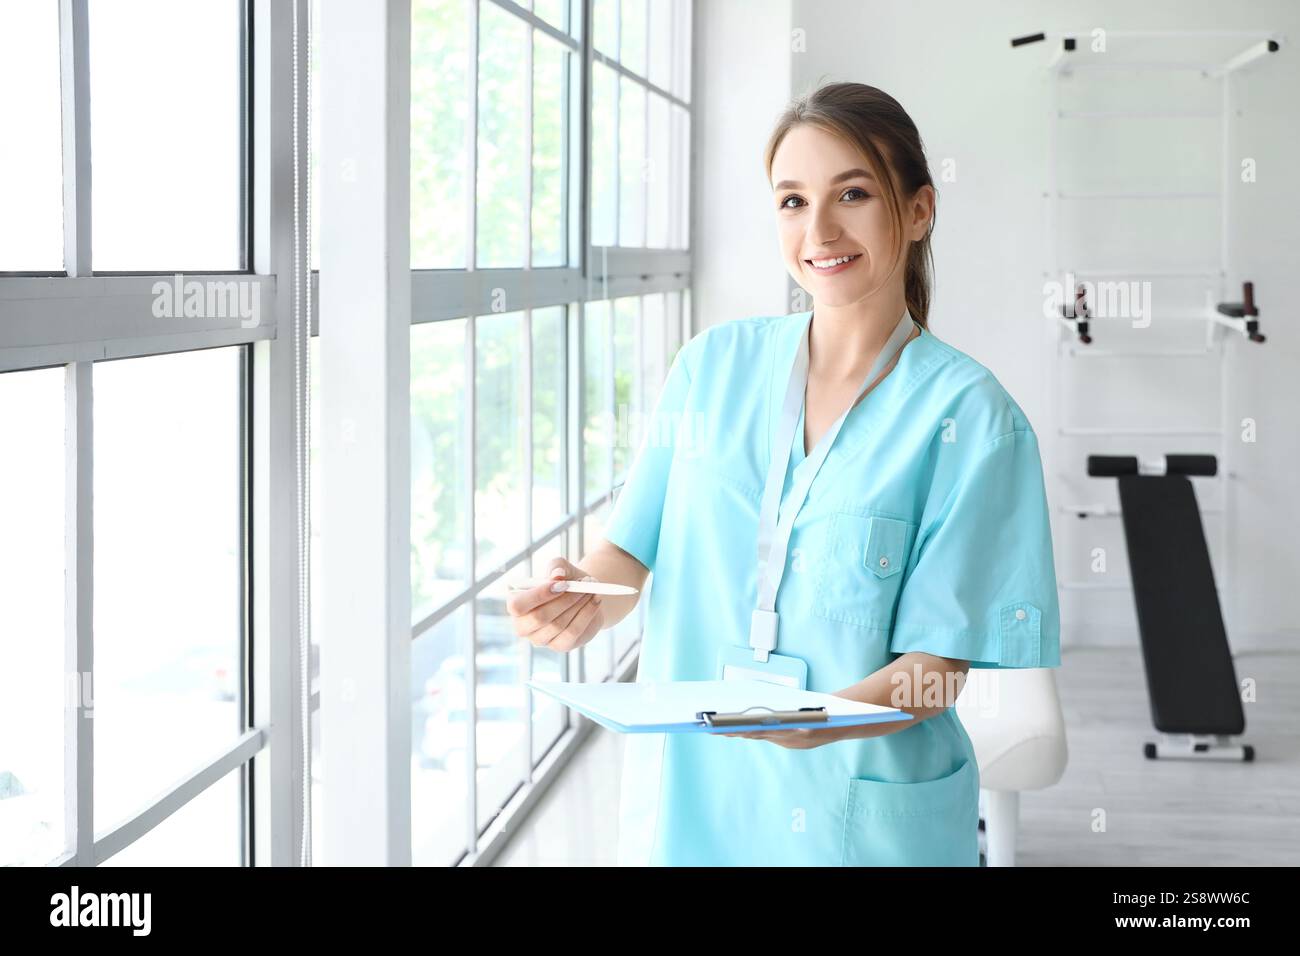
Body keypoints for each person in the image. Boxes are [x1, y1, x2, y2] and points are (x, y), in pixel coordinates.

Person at [506, 82, 1061, 866]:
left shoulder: (973, 421)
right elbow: (629, 556)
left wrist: (829, 716)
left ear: (918, 211)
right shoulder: (710, 369)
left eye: (853, 194)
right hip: (699, 800)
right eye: (793, 201)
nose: (820, 229)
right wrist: (579, 602)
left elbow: (937, 672)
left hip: (859, 813)